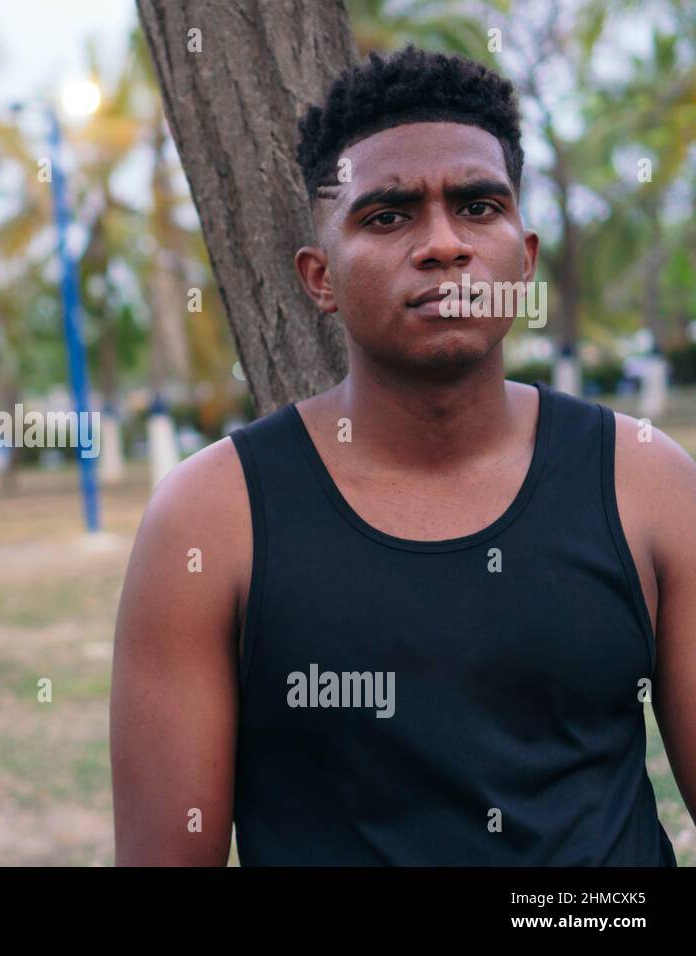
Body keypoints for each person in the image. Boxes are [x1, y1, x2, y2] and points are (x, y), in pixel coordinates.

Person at [110, 46, 696, 865]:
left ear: (522, 262)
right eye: (388, 217)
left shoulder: (647, 481)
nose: (443, 245)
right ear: (320, 277)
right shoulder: (212, 520)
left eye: (478, 207)